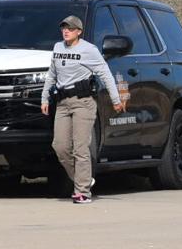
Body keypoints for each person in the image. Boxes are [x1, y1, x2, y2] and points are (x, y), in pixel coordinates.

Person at [41, 14, 123, 205]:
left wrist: (115, 99)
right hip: (62, 103)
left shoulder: (89, 50)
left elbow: (105, 73)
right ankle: (82, 179)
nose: (66, 31)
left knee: (80, 147)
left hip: (83, 103)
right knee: (60, 146)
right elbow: (51, 74)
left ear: (79, 31)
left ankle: (82, 191)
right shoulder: (58, 48)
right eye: (63, 28)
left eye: (70, 28)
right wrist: (45, 98)